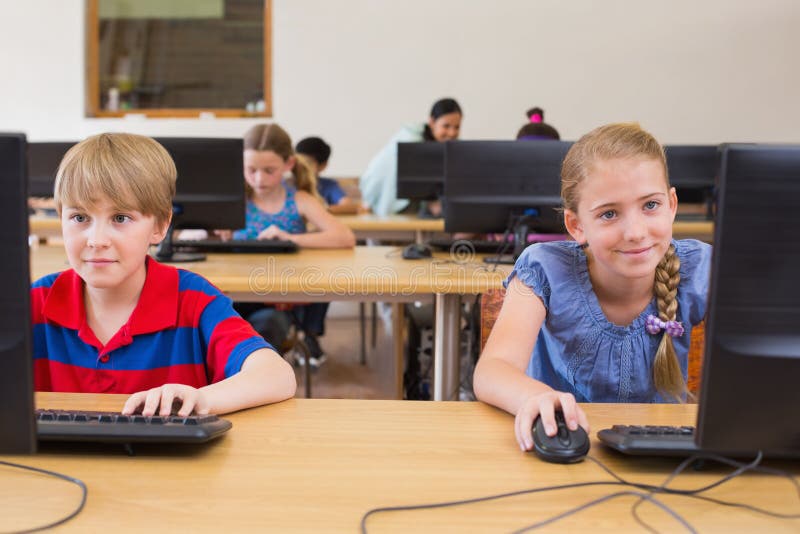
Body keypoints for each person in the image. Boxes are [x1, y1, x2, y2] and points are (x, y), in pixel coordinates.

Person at [473, 123, 711, 452]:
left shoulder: (699, 267)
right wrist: (536, 397)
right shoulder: (545, 268)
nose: (636, 232)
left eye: (650, 205)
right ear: (576, 225)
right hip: (568, 451)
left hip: (662, 459)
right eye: (610, 213)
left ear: (672, 205)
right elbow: (491, 371)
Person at [31, 133, 297, 416]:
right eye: (79, 218)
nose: (96, 240)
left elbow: (277, 376)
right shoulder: (37, 301)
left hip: (172, 461)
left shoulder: (193, 299)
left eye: (120, 218)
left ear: (160, 225)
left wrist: (201, 399)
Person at [231, 123, 356, 368]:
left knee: (264, 329)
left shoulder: (298, 200)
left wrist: (289, 238)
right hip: (233, 297)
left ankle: (254, 386)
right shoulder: (235, 200)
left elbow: (344, 237)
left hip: (278, 302)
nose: (259, 179)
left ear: (288, 165)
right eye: (251, 169)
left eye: (269, 170)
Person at [359, 97, 462, 217]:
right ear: (432, 122)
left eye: (457, 127)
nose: (452, 133)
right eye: (446, 126)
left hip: (418, 207)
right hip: (391, 203)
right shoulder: (411, 140)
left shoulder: (446, 149)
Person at [295, 136, 363, 215]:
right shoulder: (286, 184)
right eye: (298, 162)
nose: (301, 167)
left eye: (308, 163)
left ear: (323, 165)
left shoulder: (328, 186)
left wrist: (315, 211)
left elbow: (349, 206)